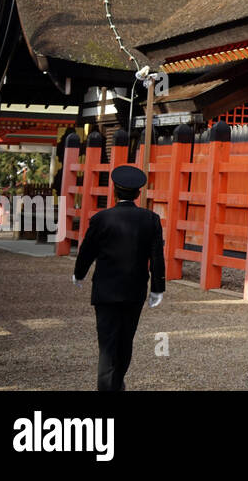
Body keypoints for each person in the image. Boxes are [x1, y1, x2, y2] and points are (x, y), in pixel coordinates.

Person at [73, 165, 165, 391]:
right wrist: (157, 288)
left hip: (105, 289)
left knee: (107, 342)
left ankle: (108, 387)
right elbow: (156, 256)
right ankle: (116, 383)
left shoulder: (102, 218)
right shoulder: (151, 219)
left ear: (114, 191)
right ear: (138, 193)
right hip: (134, 289)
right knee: (125, 339)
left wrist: (79, 273)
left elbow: (87, 250)